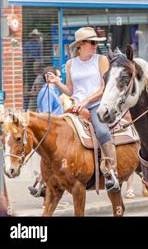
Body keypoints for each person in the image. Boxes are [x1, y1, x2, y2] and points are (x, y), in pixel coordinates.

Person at [45, 27, 120, 192]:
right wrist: (57, 82)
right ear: (80, 45)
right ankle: (46, 178)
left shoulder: (101, 60)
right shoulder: (71, 63)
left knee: (101, 131)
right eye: (92, 42)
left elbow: (105, 87)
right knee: (54, 131)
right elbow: (71, 90)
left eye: (95, 42)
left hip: (96, 104)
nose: (95, 45)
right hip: (75, 104)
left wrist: (86, 101)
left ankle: (111, 172)